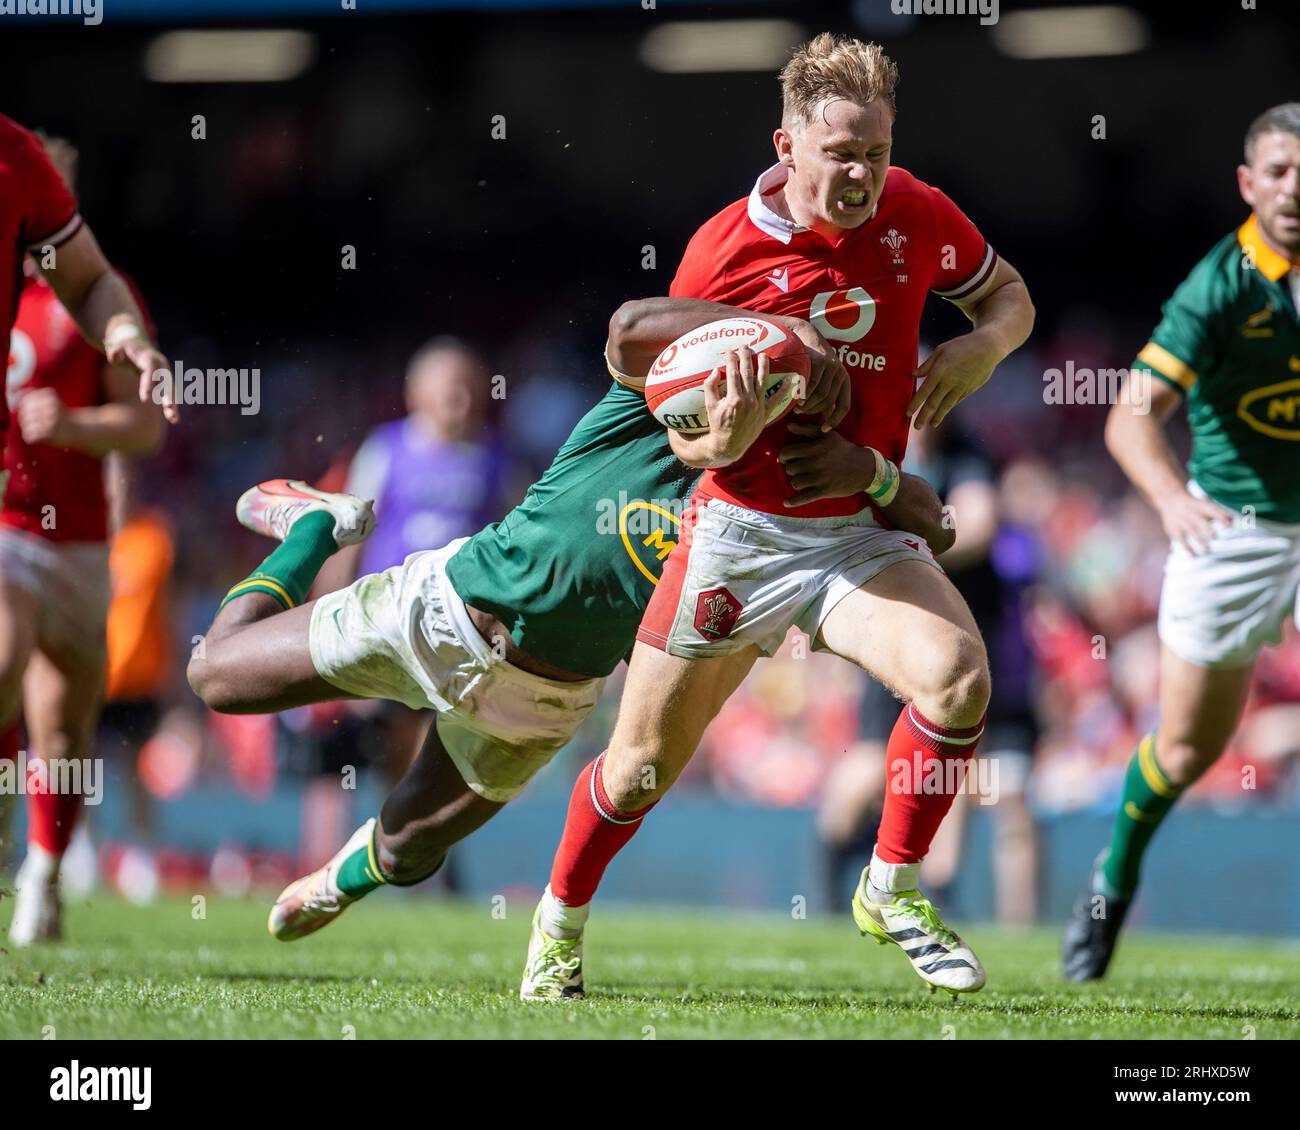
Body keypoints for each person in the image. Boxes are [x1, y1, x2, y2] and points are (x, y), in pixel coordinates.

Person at [185, 296, 951, 945]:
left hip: (546, 700)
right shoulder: (641, 405)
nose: (762, 388)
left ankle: (332, 880)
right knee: (214, 675)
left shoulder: (786, 487)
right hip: (446, 610)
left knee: (409, 848)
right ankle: (310, 532)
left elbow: (934, 523)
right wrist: (776, 337)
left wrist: (874, 472)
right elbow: (627, 325)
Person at [522, 33, 1034, 1000]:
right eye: (841, 153)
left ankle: (891, 887)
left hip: (858, 529)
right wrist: (729, 427)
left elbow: (1009, 297)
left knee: (960, 681)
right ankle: (558, 921)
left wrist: (984, 349)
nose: (861, 175)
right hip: (740, 531)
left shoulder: (916, 212)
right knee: (634, 771)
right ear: (788, 144)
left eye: (876, 154)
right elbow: (679, 439)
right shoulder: (723, 250)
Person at [1062, 103, 1300, 981]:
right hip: (1229, 528)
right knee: (1190, 750)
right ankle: (1111, 885)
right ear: (1249, 183)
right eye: (1278, 171)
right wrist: (1168, 498)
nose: (1294, 188)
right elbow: (1131, 417)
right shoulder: (1220, 285)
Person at [0, 132, 167, 944]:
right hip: (6, 525)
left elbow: (141, 428)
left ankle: (43, 871)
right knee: (3, 651)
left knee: (64, 731)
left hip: (79, 538)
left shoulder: (94, 298)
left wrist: (72, 423)